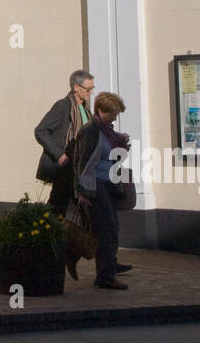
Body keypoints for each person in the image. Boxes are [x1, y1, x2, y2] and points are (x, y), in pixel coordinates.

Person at [76, 91, 133, 289]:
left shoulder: (108, 132)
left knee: (111, 228)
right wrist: (82, 191)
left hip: (109, 183)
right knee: (106, 230)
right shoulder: (91, 131)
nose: (115, 118)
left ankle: (108, 268)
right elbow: (82, 161)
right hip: (96, 185)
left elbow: (108, 157)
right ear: (101, 110)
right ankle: (105, 276)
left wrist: (121, 151)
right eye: (113, 113)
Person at [34, 70, 94, 217]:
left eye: (92, 88)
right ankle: (45, 235)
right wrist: (60, 156)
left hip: (80, 169)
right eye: (88, 89)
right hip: (65, 167)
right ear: (76, 87)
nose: (91, 92)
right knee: (58, 206)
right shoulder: (63, 106)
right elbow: (41, 131)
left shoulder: (85, 111)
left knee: (75, 209)